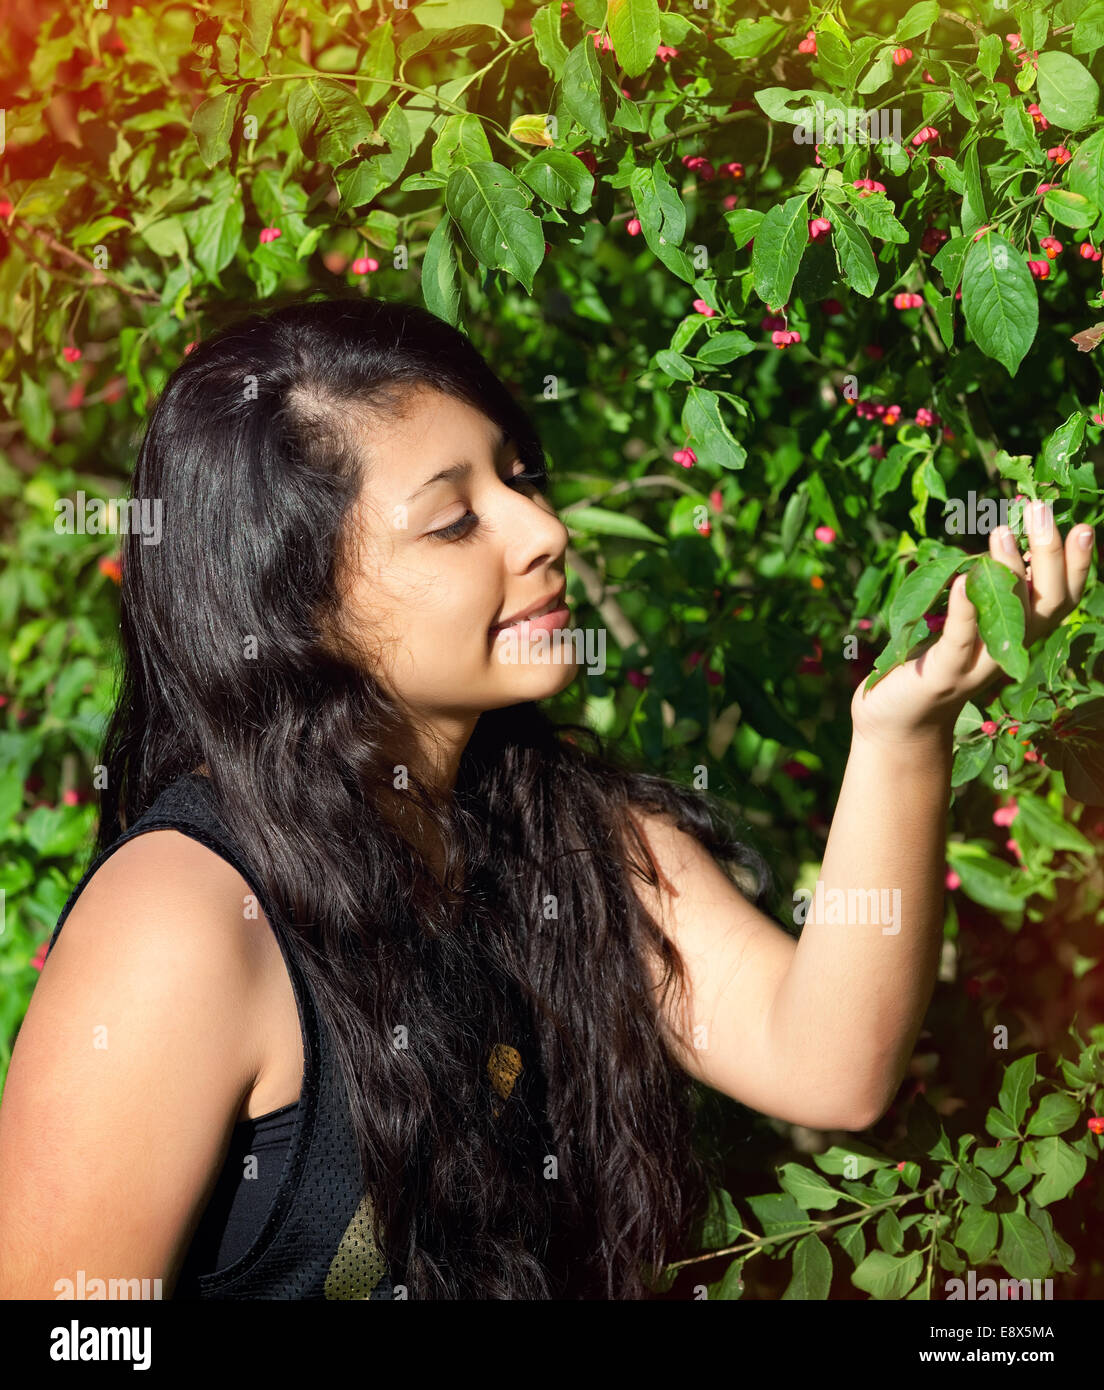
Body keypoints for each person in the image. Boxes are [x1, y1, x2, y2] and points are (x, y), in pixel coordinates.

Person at [0, 294, 1093, 1300]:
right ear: (294, 598)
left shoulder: (565, 834)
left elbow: (829, 1062)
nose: (544, 530)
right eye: (454, 520)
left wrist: (901, 731)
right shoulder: (187, 915)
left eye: (518, 478)